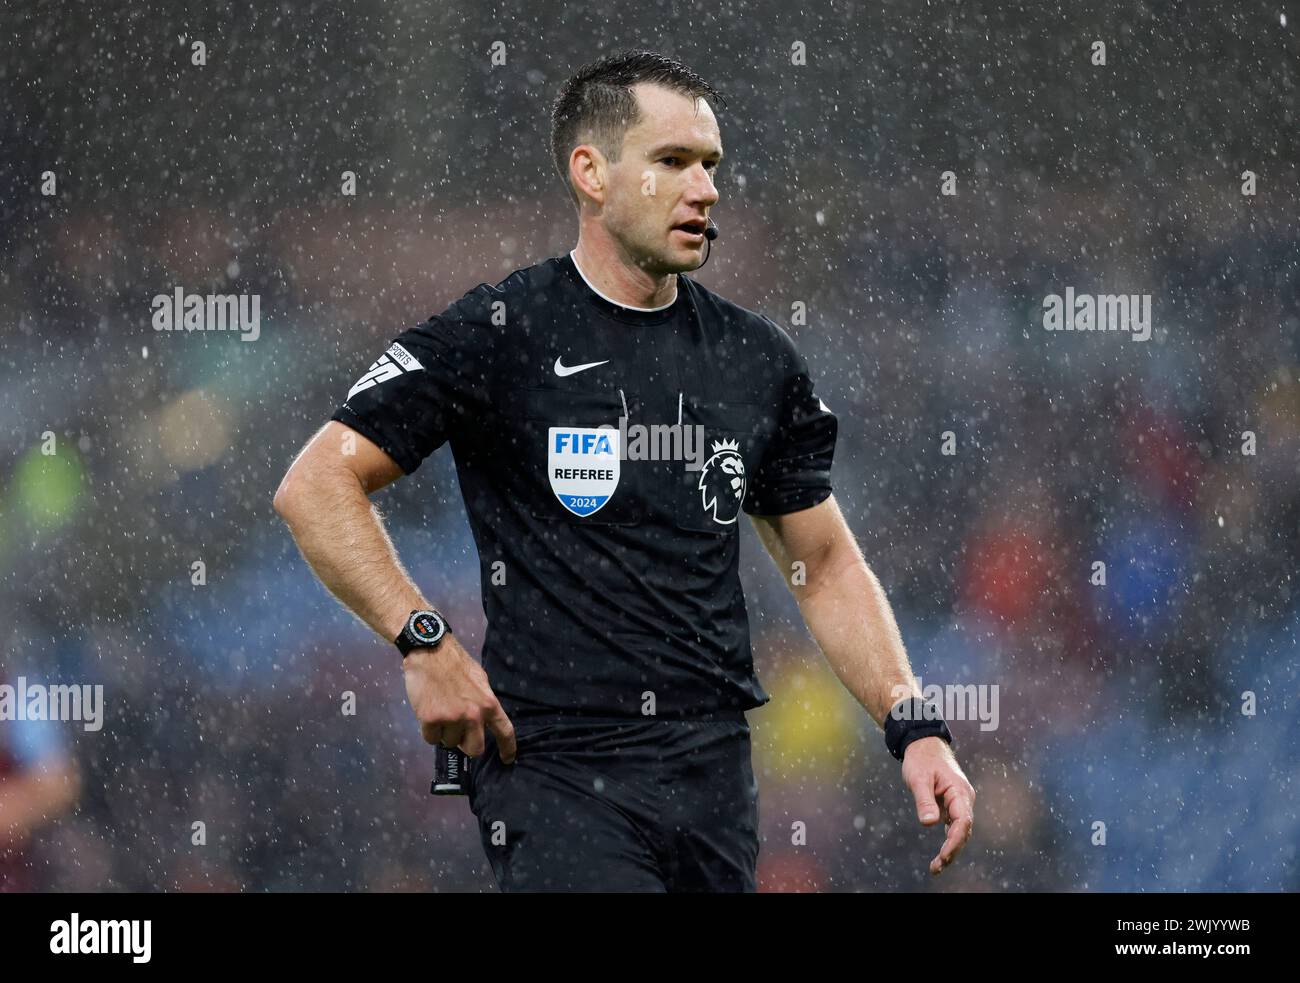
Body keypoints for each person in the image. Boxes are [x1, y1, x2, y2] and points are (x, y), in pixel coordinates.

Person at [274, 49, 974, 892]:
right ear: (591, 173)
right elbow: (316, 484)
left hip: (713, 773)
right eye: (673, 161)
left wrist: (913, 723)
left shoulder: (758, 360)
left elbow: (822, 562)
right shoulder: (502, 330)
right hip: (557, 766)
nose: (705, 188)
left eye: (711, 165)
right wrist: (424, 639)